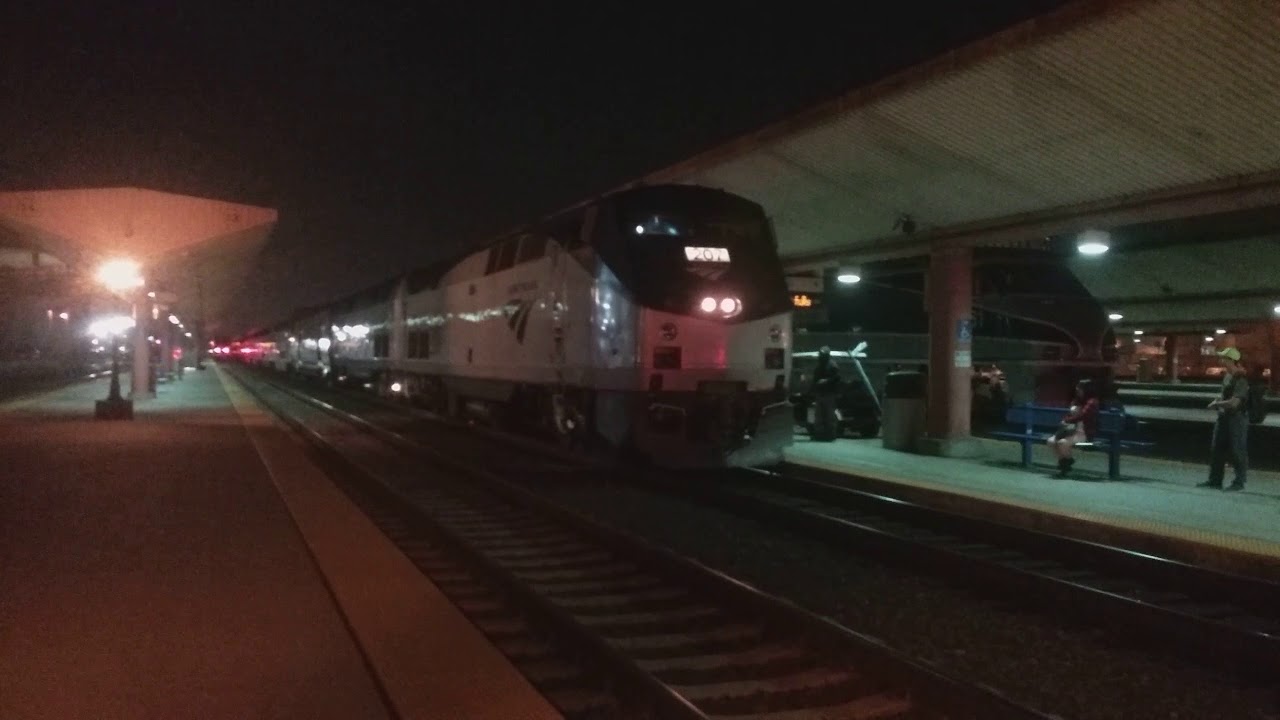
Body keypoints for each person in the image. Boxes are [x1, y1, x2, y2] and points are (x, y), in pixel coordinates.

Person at [1198, 347, 1249, 491]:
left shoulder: (1241, 379)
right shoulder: (1228, 376)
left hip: (1237, 419)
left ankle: (1239, 482)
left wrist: (1217, 404)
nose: (1221, 360)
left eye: (1224, 358)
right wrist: (1219, 403)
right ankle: (1215, 480)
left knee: (1237, 450)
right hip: (1223, 417)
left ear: (1231, 360)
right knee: (1217, 449)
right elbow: (1226, 397)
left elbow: (1235, 403)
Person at [1047, 379, 1099, 477]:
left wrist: (1068, 420)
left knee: (1062, 443)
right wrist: (1065, 420)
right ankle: (1067, 461)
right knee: (1051, 441)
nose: (1078, 390)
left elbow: (1083, 415)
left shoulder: (1092, 402)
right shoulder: (1076, 400)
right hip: (1069, 431)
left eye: (1080, 388)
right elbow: (1069, 414)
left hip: (1083, 433)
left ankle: (1064, 466)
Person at [809, 346, 841, 441]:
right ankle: (819, 434)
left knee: (829, 415)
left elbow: (837, 378)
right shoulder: (819, 366)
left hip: (829, 394)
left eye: (822, 355)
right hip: (820, 393)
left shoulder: (832, 365)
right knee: (819, 415)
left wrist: (826, 381)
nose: (821, 356)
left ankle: (830, 435)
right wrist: (812, 390)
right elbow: (815, 380)